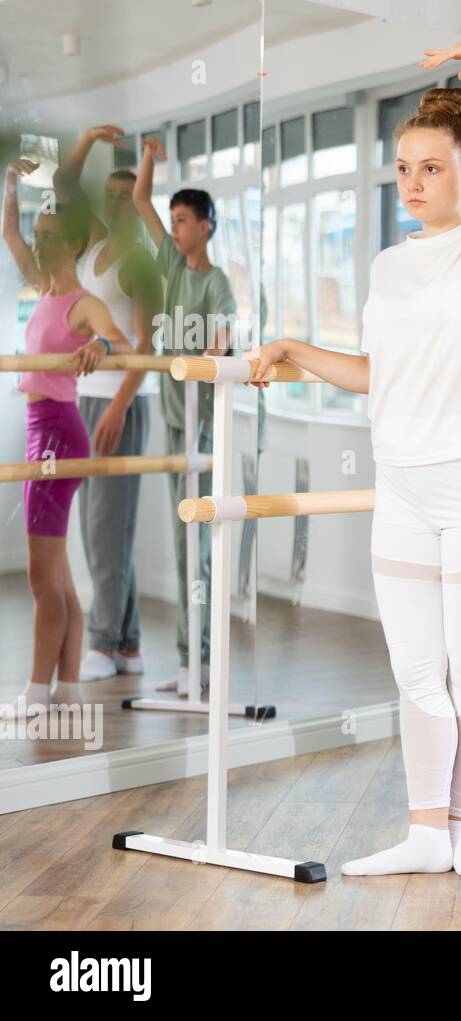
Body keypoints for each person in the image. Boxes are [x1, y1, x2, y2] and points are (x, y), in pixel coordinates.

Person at [250, 37, 461, 879]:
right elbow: (378, 377)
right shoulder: (385, 266)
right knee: (416, 673)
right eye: (404, 168)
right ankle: (421, 832)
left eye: (432, 169)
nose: (412, 182)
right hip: (402, 487)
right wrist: (298, 348)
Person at [1, 158, 134, 717]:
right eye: (40, 233)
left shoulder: (83, 303)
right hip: (41, 430)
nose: (40, 241)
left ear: (74, 244)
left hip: (58, 433)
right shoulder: (42, 285)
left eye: (52, 236)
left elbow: (120, 340)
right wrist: (10, 176)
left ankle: (36, 692)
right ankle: (69, 687)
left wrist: (98, 348)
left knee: (40, 574)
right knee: (57, 575)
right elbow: (8, 229)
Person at [52, 126, 163, 682]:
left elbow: (146, 346)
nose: (118, 204)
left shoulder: (139, 262)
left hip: (123, 403)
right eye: (112, 196)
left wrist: (120, 406)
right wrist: (91, 138)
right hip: (85, 400)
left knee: (105, 531)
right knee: (103, 530)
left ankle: (104, 642)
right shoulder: (95, 244)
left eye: (128, 196)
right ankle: (128, 645)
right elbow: (63, 181)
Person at [132, 139, 236, 697]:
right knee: (180, 546)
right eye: (170, 221)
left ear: (206, 226)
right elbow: (140, 198)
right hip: (174, 422)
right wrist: (149, 153)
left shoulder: (215, 283)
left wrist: (211, 355)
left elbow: (222, 338)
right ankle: (186, 659)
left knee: (198, 545)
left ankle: (205, 659)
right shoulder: (172, 265)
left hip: (201, 428)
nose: (172, 229)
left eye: (181, 221)